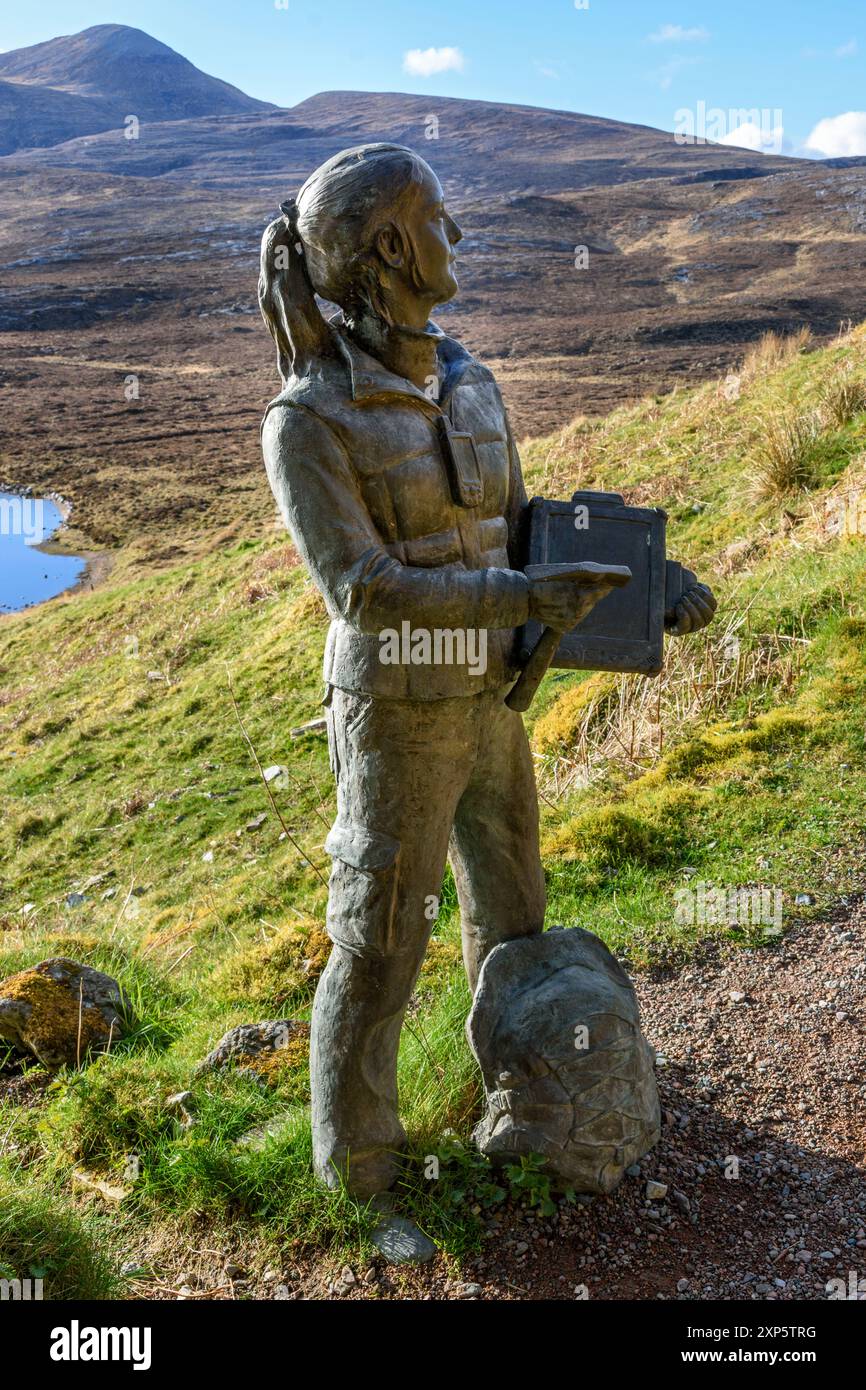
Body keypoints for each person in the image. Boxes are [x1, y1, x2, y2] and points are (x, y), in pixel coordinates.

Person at [258, 143, 715, 1198]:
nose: (454, 233)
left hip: (490, 704)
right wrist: (519, 604)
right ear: (385, 246)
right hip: (397, 716)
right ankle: (360, 1177)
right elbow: (362, 591)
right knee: (378, 944)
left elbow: (518, 529)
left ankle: (522, 1105)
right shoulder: (309, 418)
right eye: (435, 215)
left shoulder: (469, 378)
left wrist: (646, 584)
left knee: (512, 914)